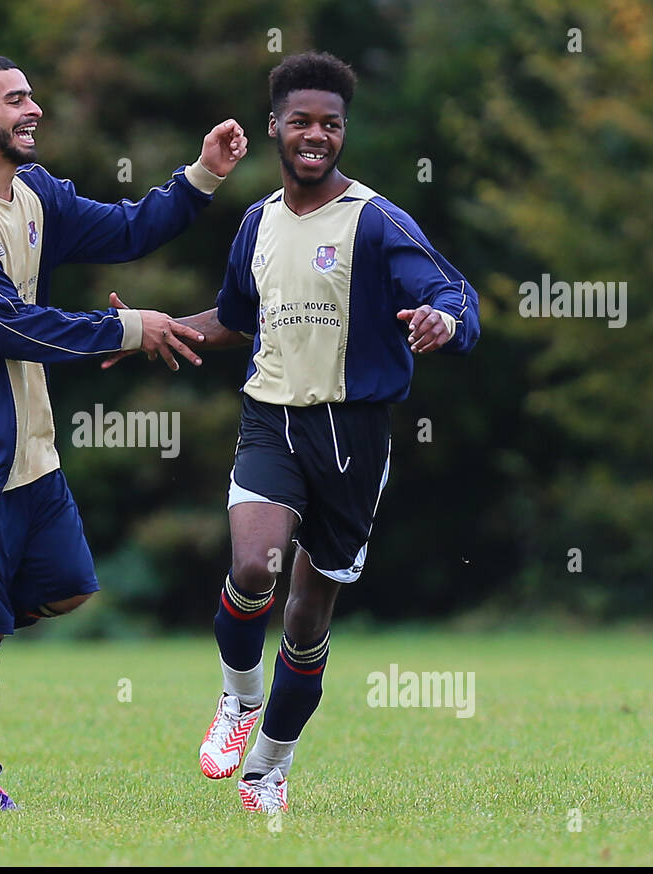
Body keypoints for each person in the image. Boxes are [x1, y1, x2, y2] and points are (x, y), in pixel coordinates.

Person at [107, 51, 480, 811]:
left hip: (353, 440)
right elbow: (237, 322)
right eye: (302, 121)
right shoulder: (257, 224)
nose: (316, 135)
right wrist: (153, 330)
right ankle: (238, 701)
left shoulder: (376, 221)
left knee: (307, 621)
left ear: (344, 133)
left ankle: (268, 771)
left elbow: (452, 290)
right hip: (271, 422)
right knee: (253, 569)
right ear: (275, 125)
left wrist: (445, 319)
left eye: (331, 124)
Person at [0, 53, 246, 810]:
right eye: (14, 99)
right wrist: (126, 328)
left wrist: (203, 175)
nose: (34, 108)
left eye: (32, 96)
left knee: (68, 590)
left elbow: (127, 230)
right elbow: (4, 326)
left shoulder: (35, 194)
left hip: (29, 449)